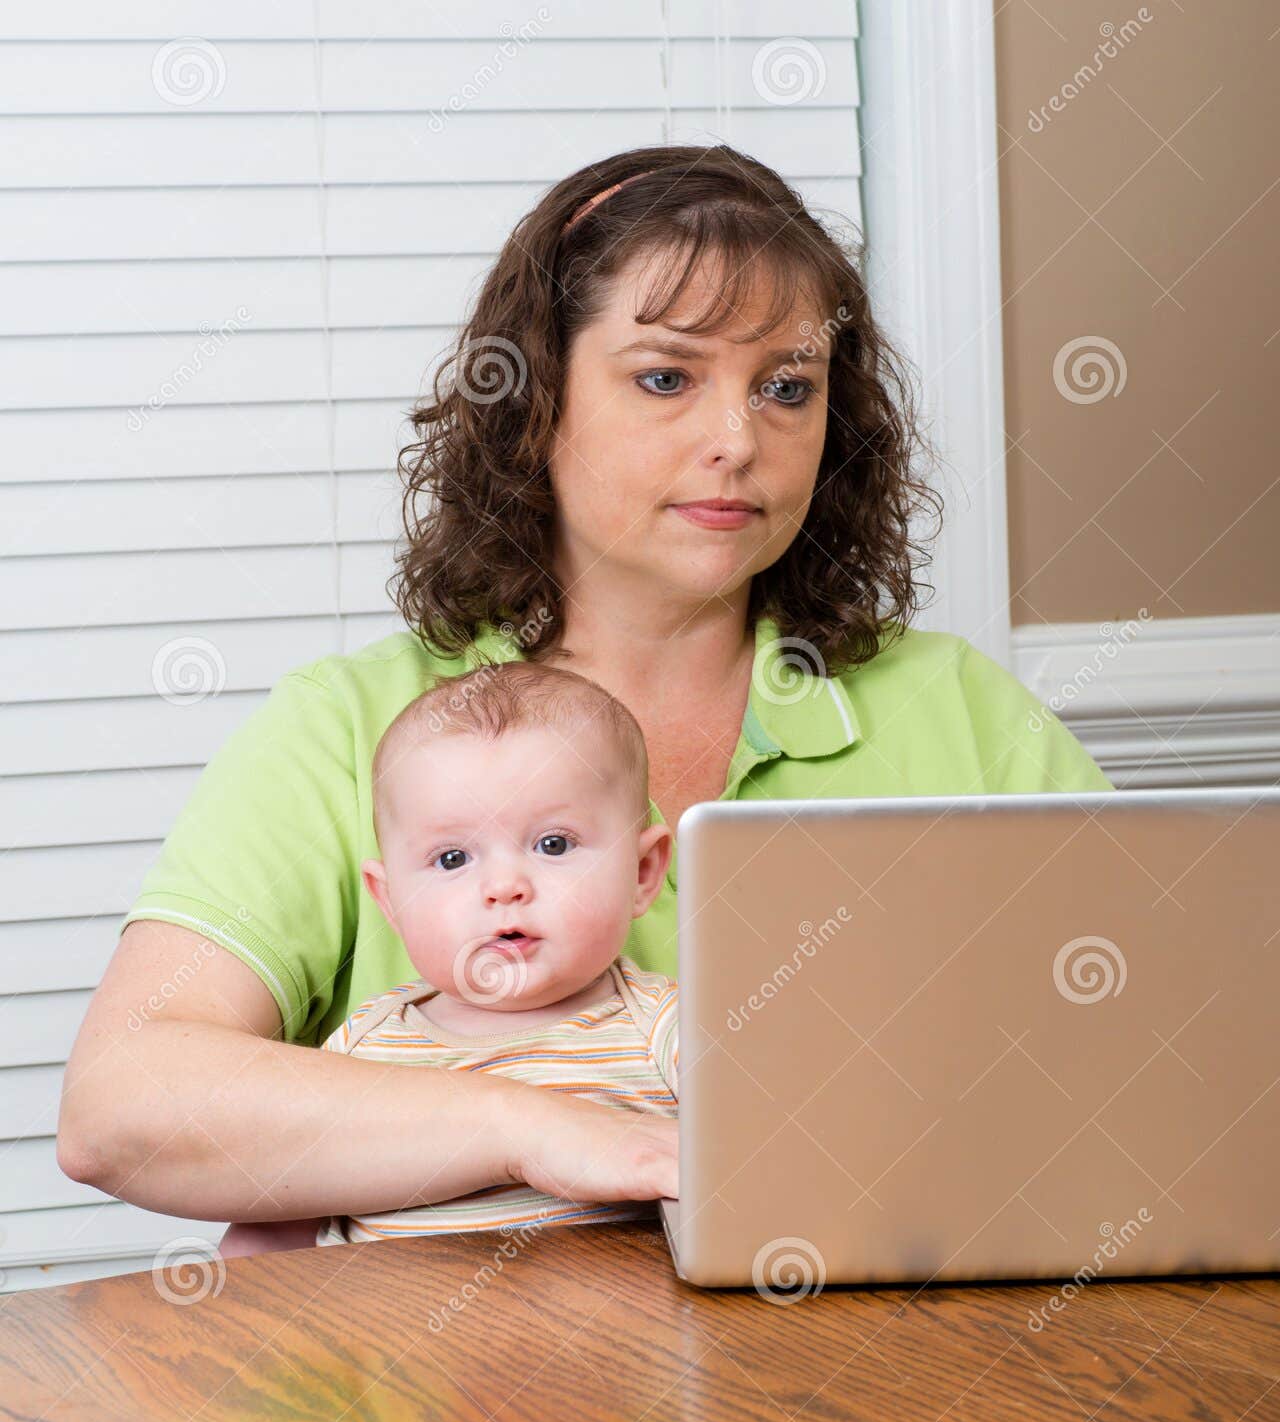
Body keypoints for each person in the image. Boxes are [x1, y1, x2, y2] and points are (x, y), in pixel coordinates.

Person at [56, 143, 1113, 1239]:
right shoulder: (346, 726)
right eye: (665, 377)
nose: (735, 439)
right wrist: (528, 1127)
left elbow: (1168, 1044)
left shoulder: (962, 711)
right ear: (537, 400)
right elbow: (120, 1106)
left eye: (786, 387)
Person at [219, 663, 679, 1258]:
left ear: (642, 873)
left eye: (554, 844)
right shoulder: (363, 1050)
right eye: (453, 859)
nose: (504, 886)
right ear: (391, 901)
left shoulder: (668, 1027)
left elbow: (774, 1158)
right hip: (395, 1344)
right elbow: (275, 1220)